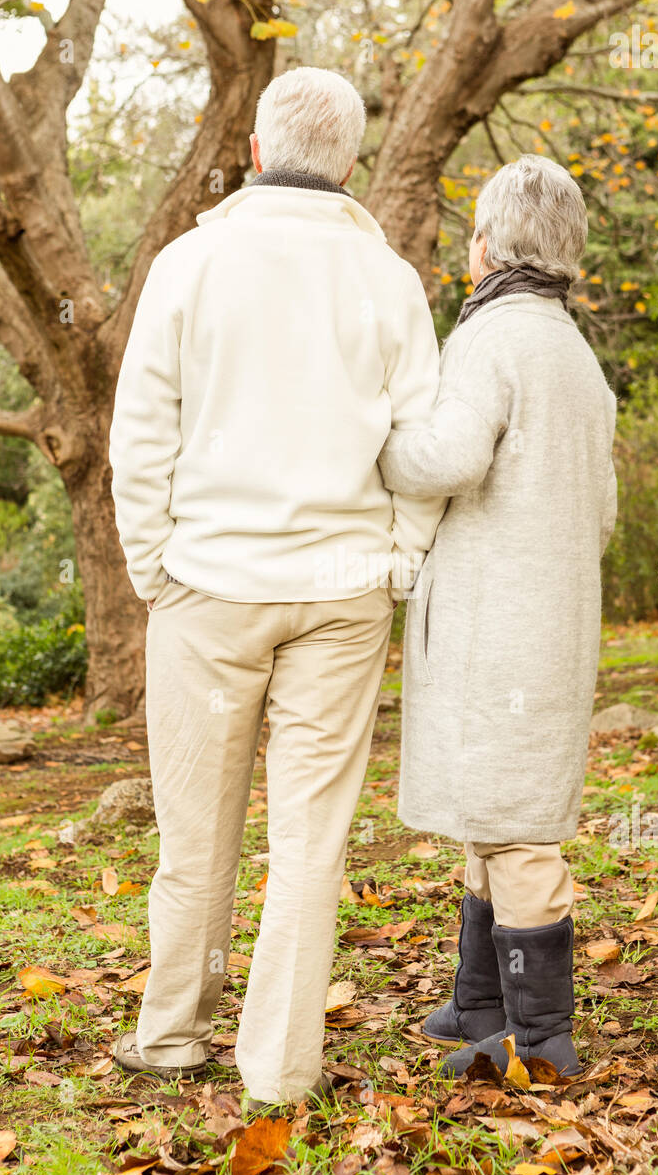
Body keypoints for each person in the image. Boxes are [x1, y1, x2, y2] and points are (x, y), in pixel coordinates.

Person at [108, 67, 446, 1107]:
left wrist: (152, 567)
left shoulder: (189, 262)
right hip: (341, 591)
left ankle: (170, 1034)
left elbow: (141, 436)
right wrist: (398, 560)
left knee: (195, 829)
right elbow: (422, 445)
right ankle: (279, 1069)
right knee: (310, 838)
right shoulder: (389, 281)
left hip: (208, 585)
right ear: (350, 162)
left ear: (257, 151)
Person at [379, 155, 617, 1078]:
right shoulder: (574, 352)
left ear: (486, 246)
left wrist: (381, 444)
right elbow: (600, 513)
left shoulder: (489, 336)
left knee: (515, 827)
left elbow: (449, 457)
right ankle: (477, 1002)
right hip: (552, 620)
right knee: (497, 808)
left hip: (498, 626)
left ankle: (538, 1036)